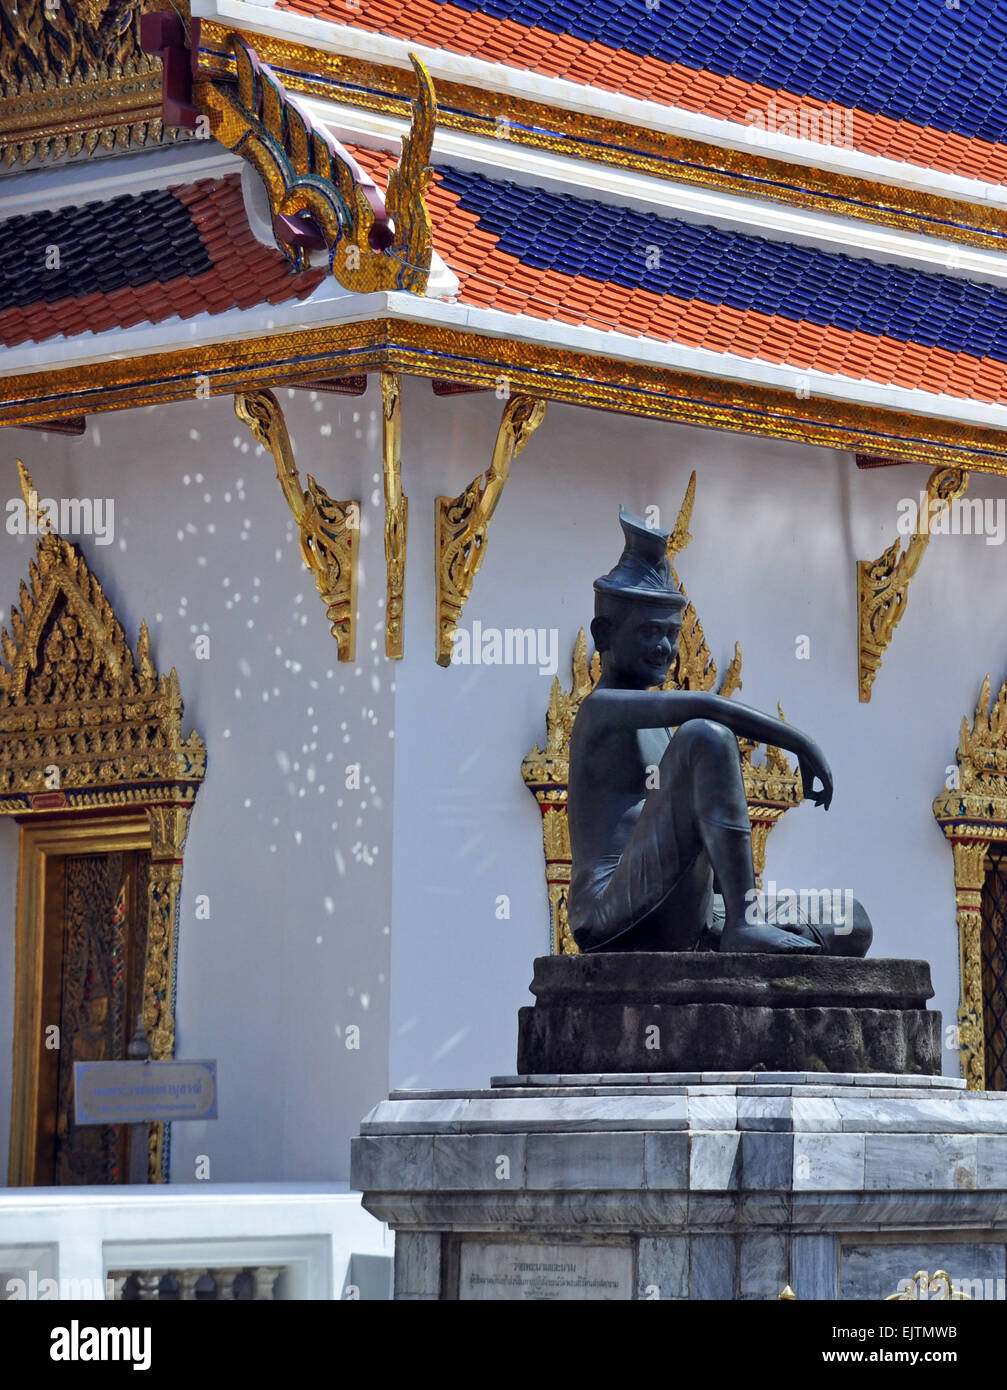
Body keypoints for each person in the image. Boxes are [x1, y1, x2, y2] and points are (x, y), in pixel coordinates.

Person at [567, 506, 837, 955]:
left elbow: (690, 844)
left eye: (672, 635)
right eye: (651, 632)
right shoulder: (600, 710)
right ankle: (743, 925)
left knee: (851, 923)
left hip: (683, 910)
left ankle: (735, 925)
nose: (665, 649)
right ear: (604, 633)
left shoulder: (662, 734)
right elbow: (704, 705)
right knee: (707, 735)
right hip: (608, 914)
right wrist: (799, 742)